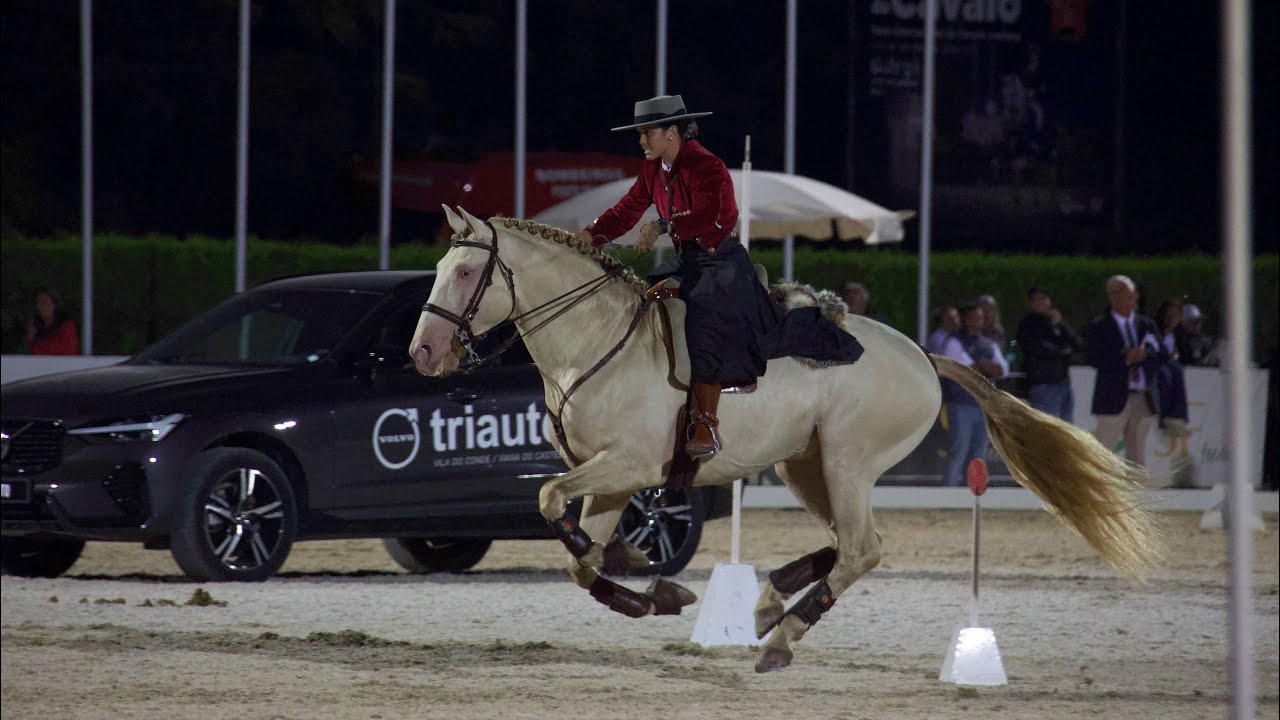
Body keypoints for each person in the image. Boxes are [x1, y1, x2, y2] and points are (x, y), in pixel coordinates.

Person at [574, 94, 860, 461]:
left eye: (647, 132)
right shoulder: (653, 170)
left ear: (671, 132)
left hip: (722, 260)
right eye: (640, 134)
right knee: (641, 300)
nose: (641, 141)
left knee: (703, 322)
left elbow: (714, 216)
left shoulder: (706, 166)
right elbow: (626, 210)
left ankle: (706, 422)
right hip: (689, 261)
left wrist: (663, 224)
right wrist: (589, 235)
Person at [1083, 275, 1165, 466]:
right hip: (1112, 395)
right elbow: (1093, 357)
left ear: (1134, 295)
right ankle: (1096, 492)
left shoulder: (1146, 324)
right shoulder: (1099, 326)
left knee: (1137, 453)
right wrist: (1124, 359)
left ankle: (1134, 492)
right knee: (1103, 449)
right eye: (1112, 292)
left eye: (1121, 291)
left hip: (1142, 396)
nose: (1116, 296)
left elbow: (1161, 353)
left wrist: (1144, 356)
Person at [939, 302, 1008, 487]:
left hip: (982, 405)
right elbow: (965, 369)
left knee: (978, 453)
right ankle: (949, 490)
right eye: (975, 317)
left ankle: (973, 491)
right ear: (965, 320)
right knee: (958, 450)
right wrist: (985, 367)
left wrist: (982, 367)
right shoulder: (953, 341)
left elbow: (1002, 369)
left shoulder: (989, 343)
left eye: (981, 317)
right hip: (961, 403)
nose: (979, 321)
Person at [1015, 287, 1080, 422]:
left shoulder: (1056, 322)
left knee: (1068, 428)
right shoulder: (1028, 324)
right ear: (1030, 303)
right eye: (1035, 300)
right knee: (1049, 428)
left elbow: (1077, 344)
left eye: (1043, 298)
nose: (1040, 302)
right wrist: (1064, 351)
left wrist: (1060, 325)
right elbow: (1041, 349)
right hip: (1043, 385)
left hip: (1063, 382)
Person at [23, 287, 80, 355]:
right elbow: (24, 355)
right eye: (38, 303)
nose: (41, 306)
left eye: (45, 302)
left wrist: (35, 344)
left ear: (55, 305)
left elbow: (68, 351)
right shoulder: (34, 327)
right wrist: (29, 339)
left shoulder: (67, 327)